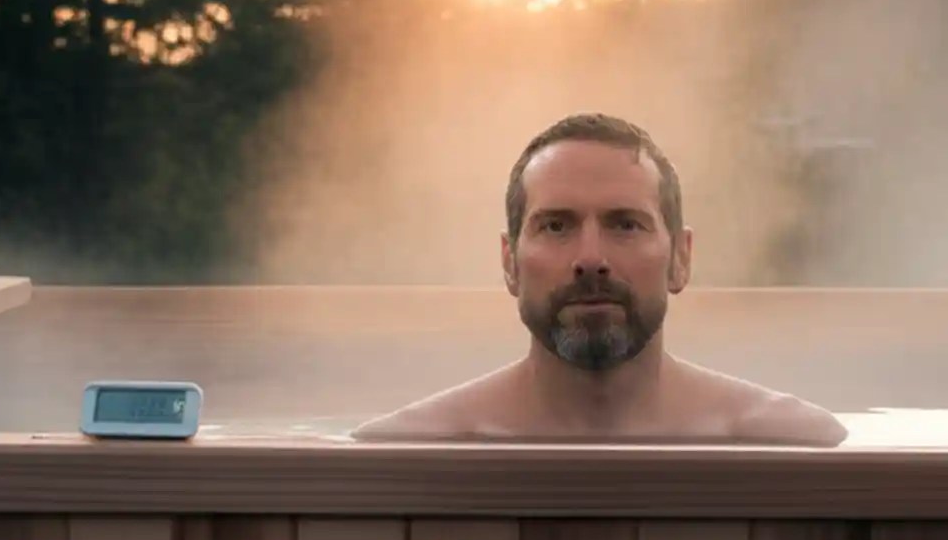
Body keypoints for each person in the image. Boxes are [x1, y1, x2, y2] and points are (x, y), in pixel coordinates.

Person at [351, 113, 848, 447]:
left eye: (625, 224)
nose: (590, 259)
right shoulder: (409, 446)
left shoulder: (791, 440)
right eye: (556, 226)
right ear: (509, 262)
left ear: (681, 259)